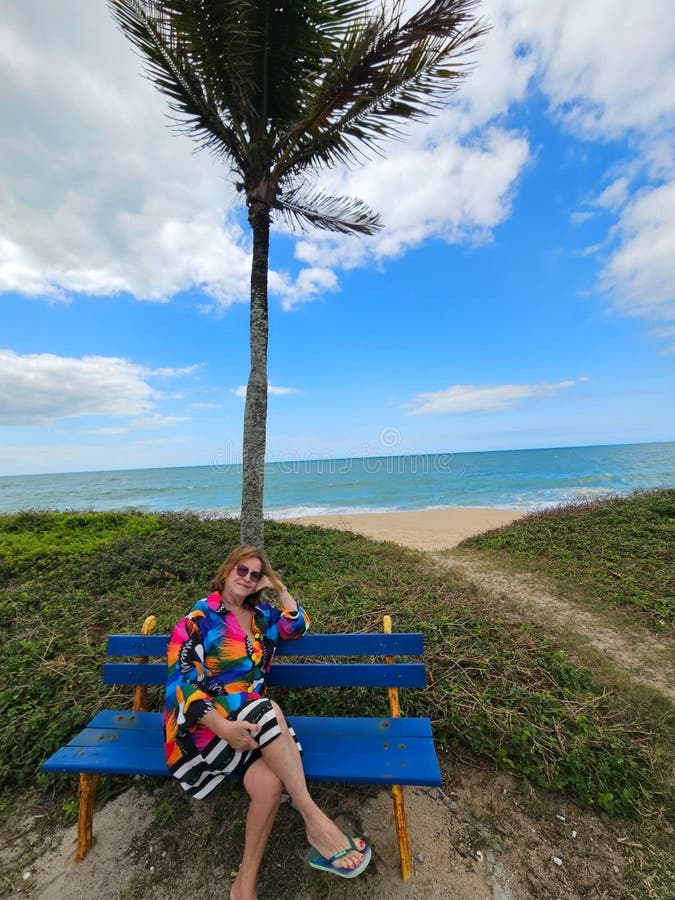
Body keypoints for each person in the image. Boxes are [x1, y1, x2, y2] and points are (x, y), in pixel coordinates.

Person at [163, 545, 371, 899]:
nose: (246, 578)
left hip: (256, 731)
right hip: (207, 732)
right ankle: (316, 823)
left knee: (271, 784)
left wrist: (279, 587)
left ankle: (243, 886)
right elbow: (181, 687)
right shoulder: (198, 621)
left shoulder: (262, 617)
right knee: (268, 708)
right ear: (227, 570)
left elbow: (298, 624)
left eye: (255, 574)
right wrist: (224, 728)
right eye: (241, 570)